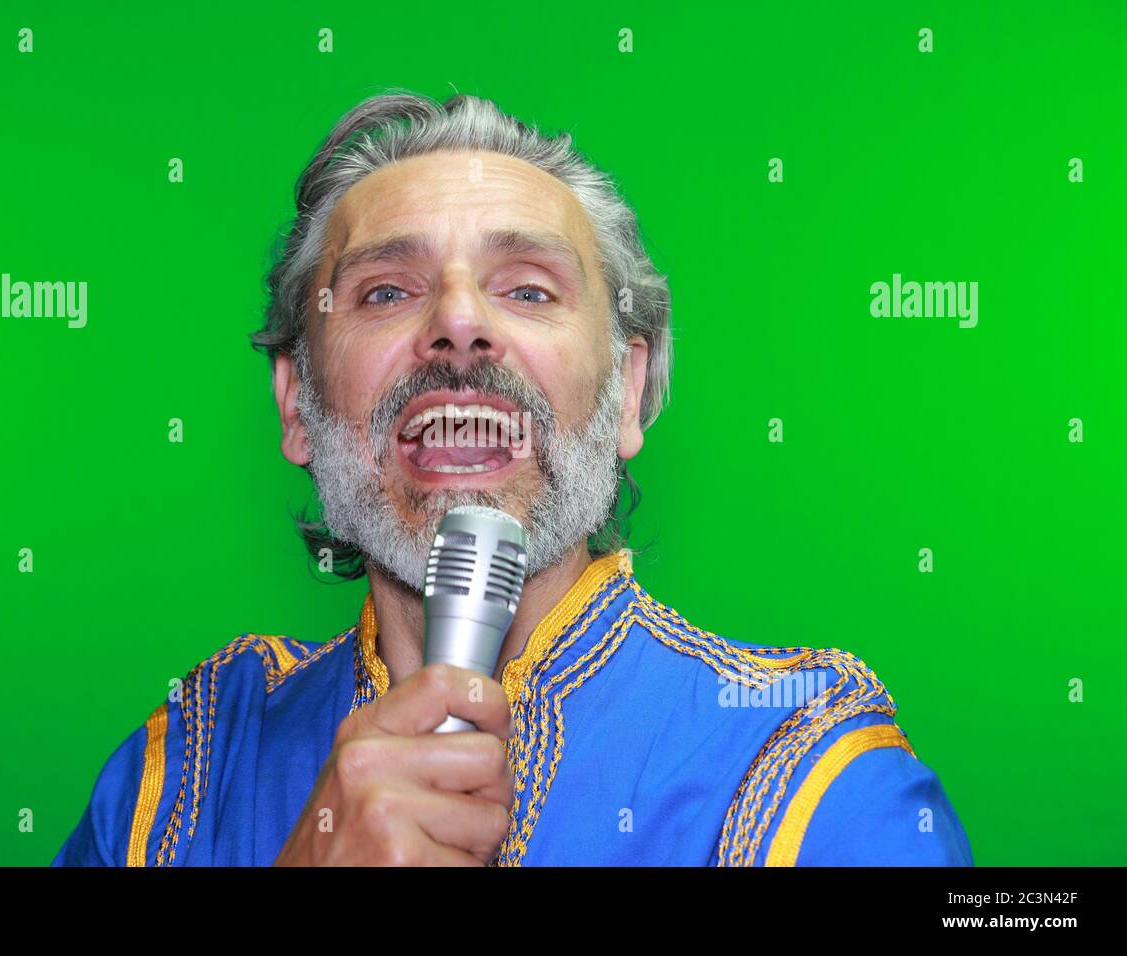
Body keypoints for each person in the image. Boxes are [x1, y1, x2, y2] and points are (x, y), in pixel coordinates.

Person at [53, 90, 972, 867]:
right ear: (298, 405)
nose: (458, 321)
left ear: (627, 399)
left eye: (528, 288)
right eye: (385, 291)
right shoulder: (187, 773)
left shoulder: (814, 779)